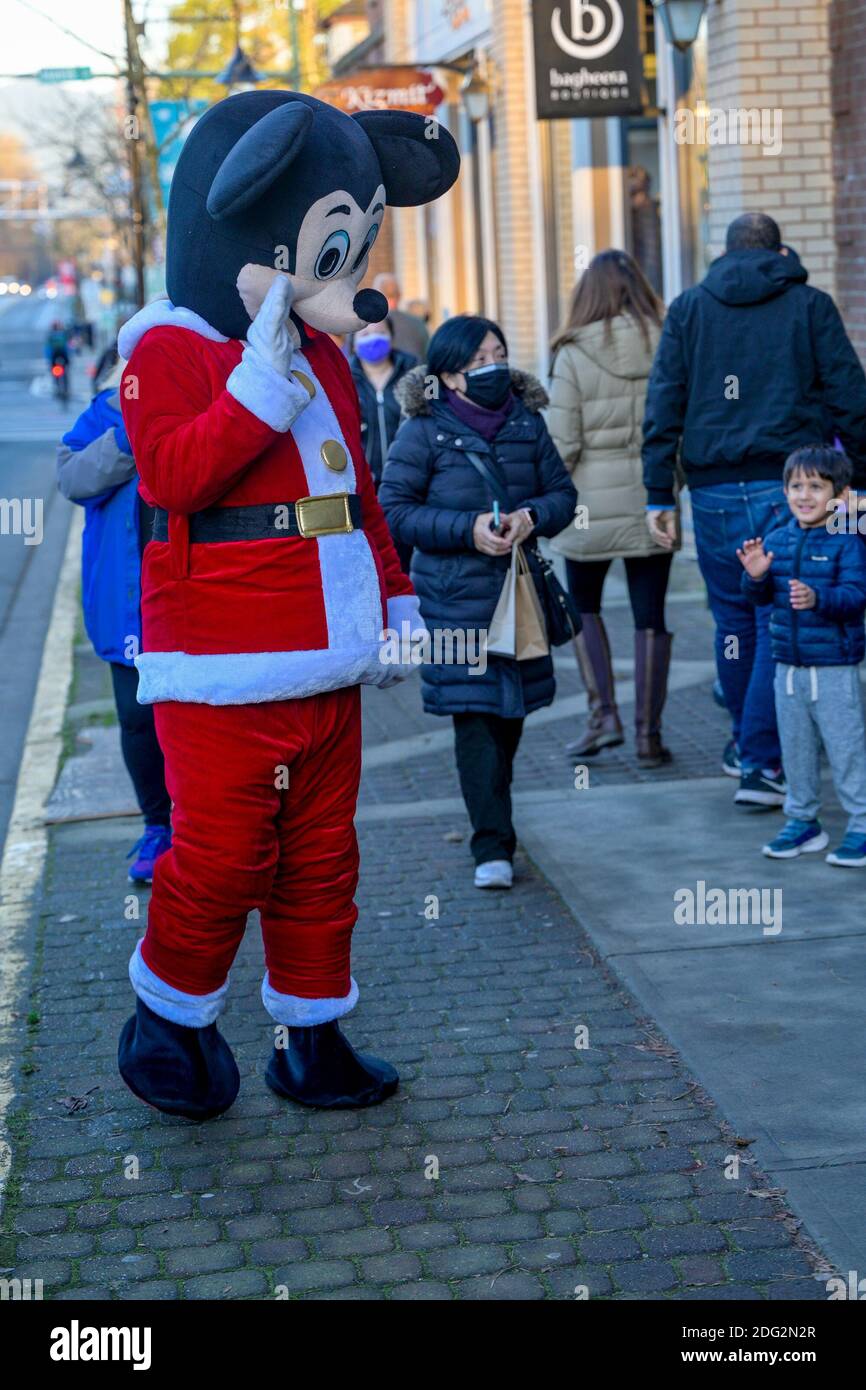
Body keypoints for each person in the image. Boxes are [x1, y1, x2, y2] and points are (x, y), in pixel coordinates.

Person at [115, 87, 460, 1122]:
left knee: (321, 860)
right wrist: (254, 389)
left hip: (329, 661)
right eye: (329, 259)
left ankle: (311, 1041)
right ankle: (167, 1026)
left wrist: (394, 598)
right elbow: (174, 478)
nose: (356, 294)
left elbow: (360, 497)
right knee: (221, 860)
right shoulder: (166, 351)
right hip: (223, 671)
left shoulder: (323, 357)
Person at [643, 212, 866, 807]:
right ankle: (762, 761)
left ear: (726, 251)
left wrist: (658, 492)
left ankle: (749, 749)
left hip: (712, 491)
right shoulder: (809, 305)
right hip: (792, 488)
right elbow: (849, 393)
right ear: (780, 251)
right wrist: (859, 482)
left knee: (736, 623)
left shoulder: (690, 307)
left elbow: (664, 397)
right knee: (775, 621)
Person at [379, 314, 577, 890]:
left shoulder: (525, 421)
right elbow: (395, 510)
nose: (493, 366)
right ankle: (491, 844)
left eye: (499, 353)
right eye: (478, 360)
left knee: (510, 714)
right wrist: (467, 529)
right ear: (449, 375)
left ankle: (495, 820)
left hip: (519, 594)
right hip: (452, 598)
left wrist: (530, 517)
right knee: (476, 718)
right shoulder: (423, 430)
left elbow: (562, 494)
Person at [548, 249, 676, 768]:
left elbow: (564, 442)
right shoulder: (667, 342)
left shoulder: (573, 352)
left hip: (587, 504)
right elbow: (679, 425)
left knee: (584, 607)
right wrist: (672, 483)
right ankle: (649, 737)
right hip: (652, 498)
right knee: (651, 614)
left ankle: (605, 718)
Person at [56, 351, 172, 883]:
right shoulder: (107, 413)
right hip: (126, 601)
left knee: (195, 719)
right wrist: (130, 436)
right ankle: (158, 826)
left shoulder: (194, 402)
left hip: (187, 596)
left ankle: (203, 828)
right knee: (136, 717)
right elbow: (74, 479)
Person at [739, 444, 866, 865]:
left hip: (834, 668)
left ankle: (862, 824)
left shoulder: (847, 540)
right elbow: (759, 597)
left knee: (846, 749)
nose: (805, 495)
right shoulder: (777, 538)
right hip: (787, 668)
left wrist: (818, 598)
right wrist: (755, 576)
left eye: (816, 485)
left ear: (838, 493)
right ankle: (802, 821)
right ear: (785, 490)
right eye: (796, 485)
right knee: (795, 749)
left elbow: (855, 596)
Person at [350, 316, 417, 569]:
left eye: (379, 332)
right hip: (365, 485)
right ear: (354, 344)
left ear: (391, 335)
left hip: (408, 482)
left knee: (405, 556)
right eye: (364, 335)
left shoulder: (414, 374)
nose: (372, 339)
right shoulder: (344, 376)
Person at [372, 272, 430, 360]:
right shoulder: (418, 323)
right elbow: (428, 356)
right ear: (399, 295)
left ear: (375, 296)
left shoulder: (366, 328)